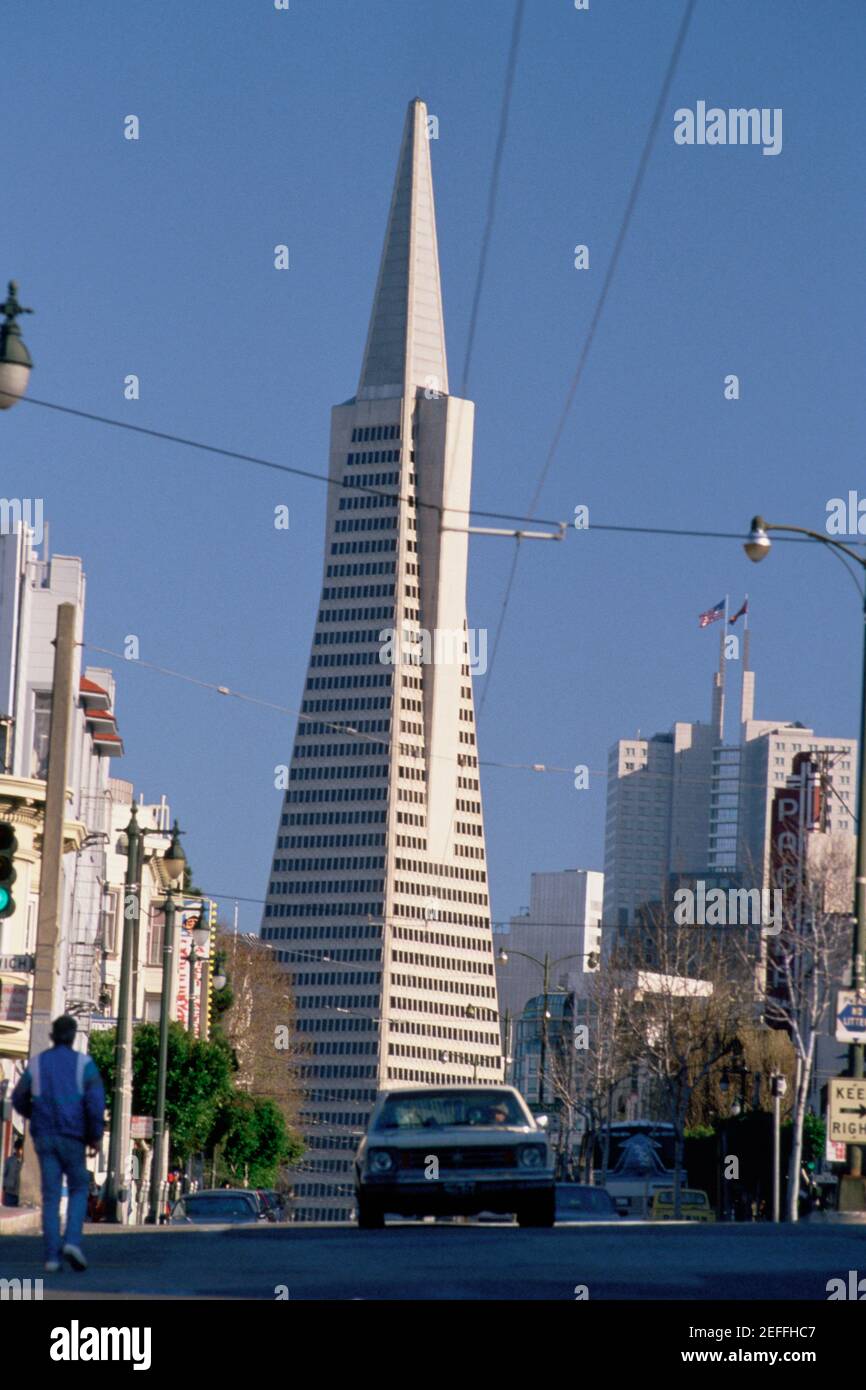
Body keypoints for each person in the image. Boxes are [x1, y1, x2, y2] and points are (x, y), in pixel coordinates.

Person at [11, 1014, 105, 1273]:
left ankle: (52, 1256)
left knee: (50, 1195)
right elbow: (95, 1103)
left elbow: (19, 1097)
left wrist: (35, 1115)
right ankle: (72, 1241)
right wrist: (95, 1134)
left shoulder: (38, 1064)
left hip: (44, 1137)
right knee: (78, 1188)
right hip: (73, 1137)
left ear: (53, 1036)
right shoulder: (83, 1065)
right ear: (73, 1037)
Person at [2, 1136, 24, 1206]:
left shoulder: (24, 1163)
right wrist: (4, 1185)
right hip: (9, 1192)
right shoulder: (9, 1161)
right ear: (15, 1149)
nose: (19, 1151)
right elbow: (3, 1174)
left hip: (20, 1193)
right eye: (18, 1149)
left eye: (21, 1149)